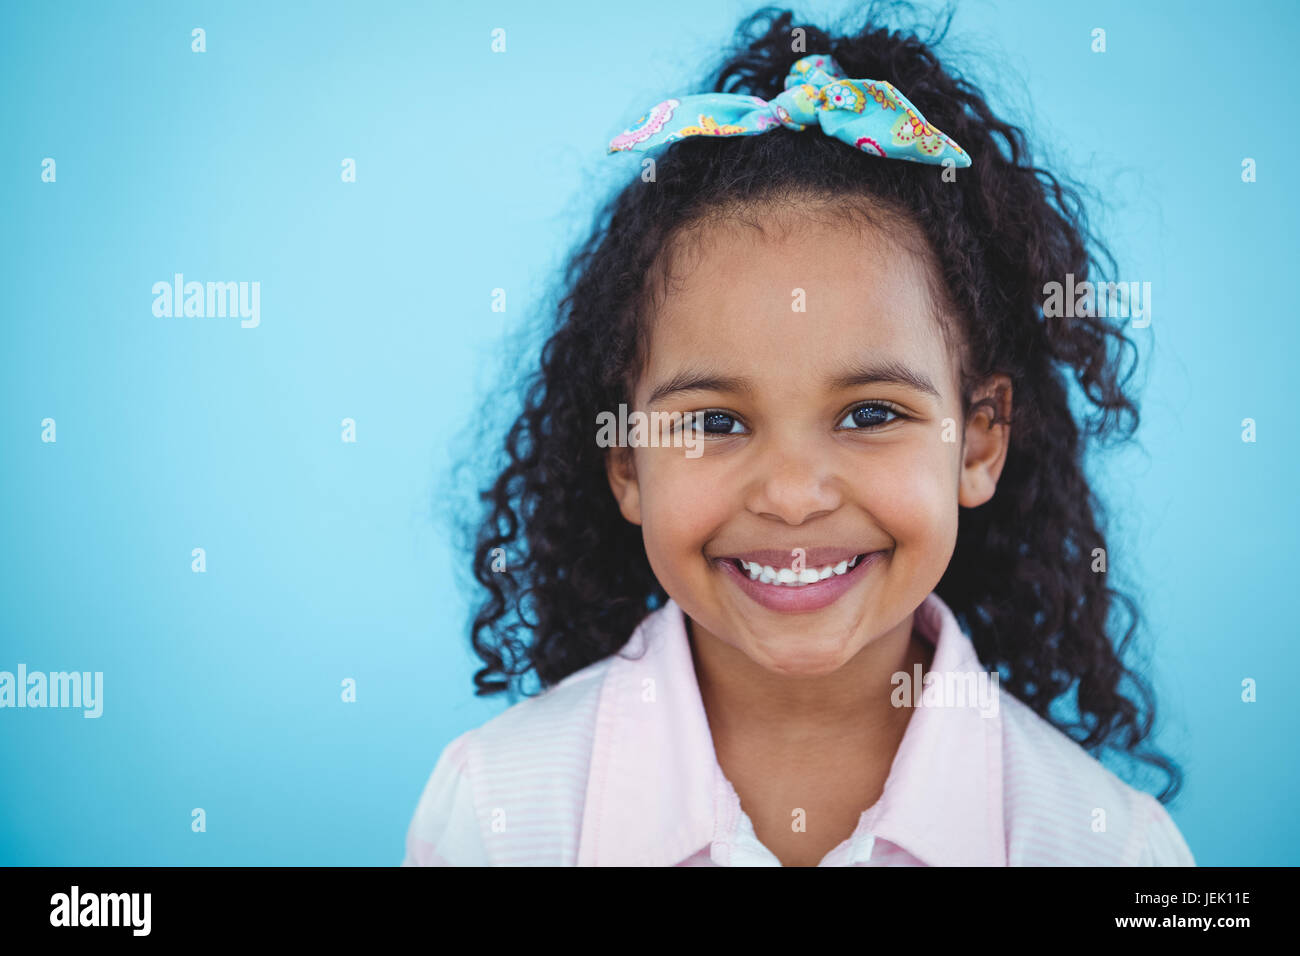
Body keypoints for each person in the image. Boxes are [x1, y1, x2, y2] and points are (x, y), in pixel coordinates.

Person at [402, 4, 1195, 866]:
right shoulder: (499, 810)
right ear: (626, 461)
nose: (791, 494)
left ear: (977, 444)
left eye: (871, 414)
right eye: (714, 421)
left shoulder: (1108, 847)